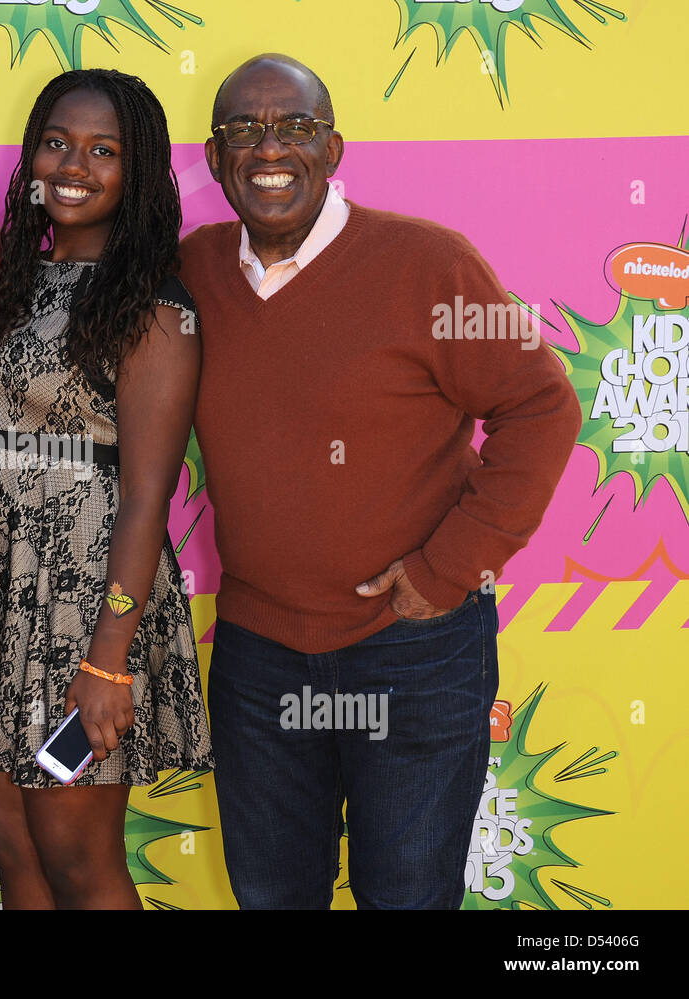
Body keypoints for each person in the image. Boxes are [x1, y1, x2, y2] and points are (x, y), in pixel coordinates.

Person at [178, 54, 582, 909]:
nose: (268, 147)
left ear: (334, 148)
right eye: (243, 130)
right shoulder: (194, 273)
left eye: (295, 126)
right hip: (259, 655)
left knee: (406, 893)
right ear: (214, 160)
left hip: (416, 652)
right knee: (271, 893)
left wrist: (444, 573)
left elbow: (542, 409)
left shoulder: (429, 264)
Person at [0, 68, 213, 910]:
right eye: (56, 142)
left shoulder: (156, 306)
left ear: (141, 173)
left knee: (78, 859)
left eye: (104, 150)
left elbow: (145, 496)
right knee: (13, 845)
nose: (74, 164)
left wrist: (108, 662)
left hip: (82, 604)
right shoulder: (14, 279)